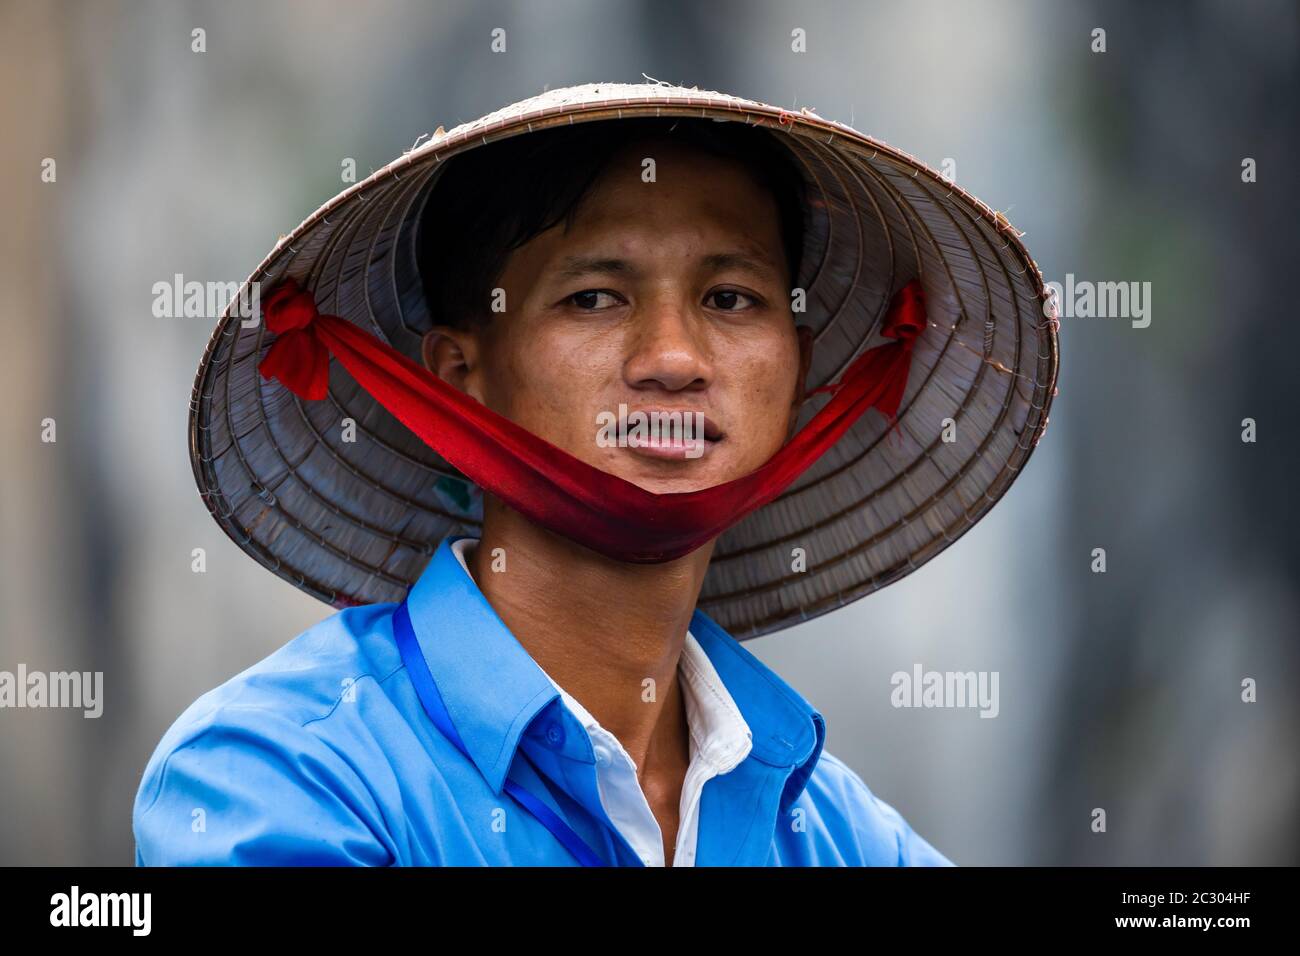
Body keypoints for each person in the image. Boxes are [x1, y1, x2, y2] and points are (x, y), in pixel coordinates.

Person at [135, 82, 1057, 866]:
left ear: (803, 372)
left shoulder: (831, 831)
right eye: (594, 298)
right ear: (462, 374)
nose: (671, 357)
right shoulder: (281, 773)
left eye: (729, 299)